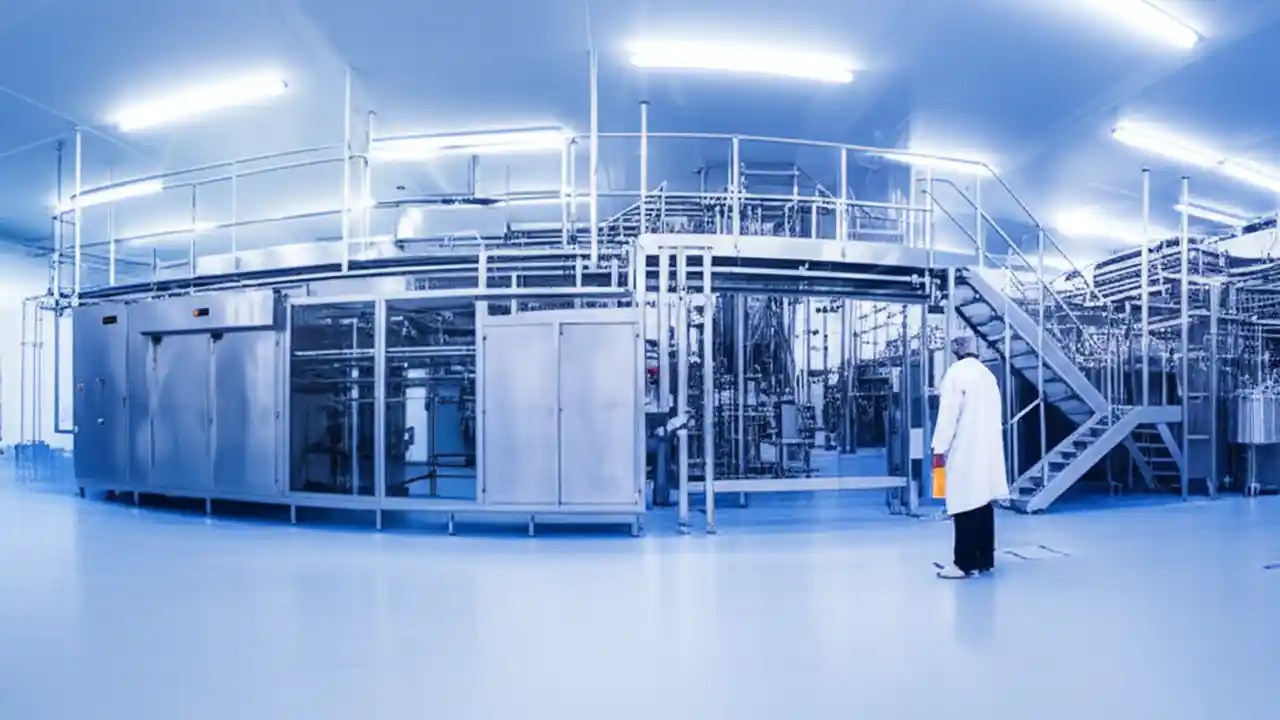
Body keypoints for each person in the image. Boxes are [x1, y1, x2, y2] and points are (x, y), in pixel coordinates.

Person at [931, 334, 1009, 579]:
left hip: (965, 448)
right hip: (988, 449)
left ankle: (963, 563)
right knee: (983, 503)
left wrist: (939, 448)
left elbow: (948, 416)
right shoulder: (988, 375)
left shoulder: (955, 374)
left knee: (963, 503)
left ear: (956, 349)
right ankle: (985, 559)